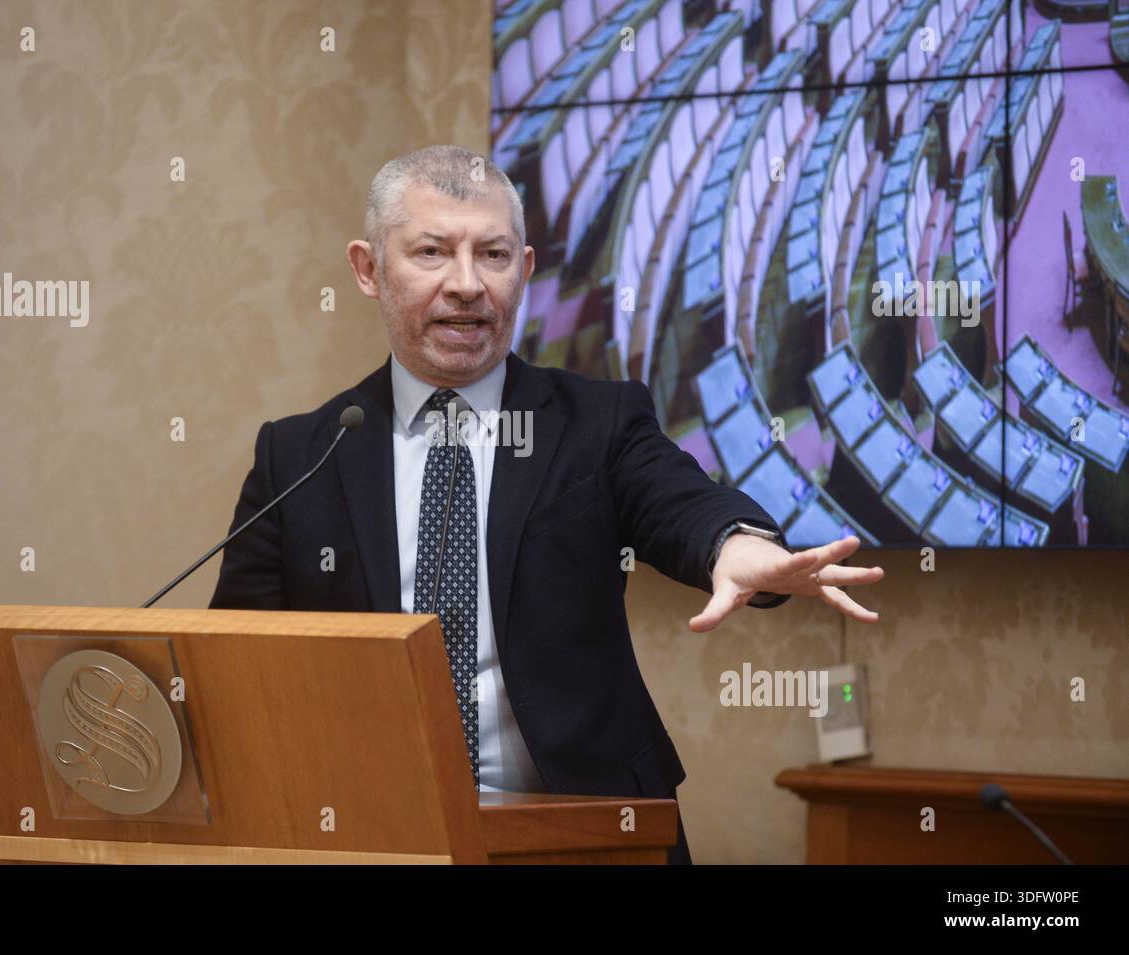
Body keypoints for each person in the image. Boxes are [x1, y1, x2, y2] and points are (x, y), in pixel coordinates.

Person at [209, 145, 883, 864]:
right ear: (368, 269)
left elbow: (675, 498)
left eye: (493, 255)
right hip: (371, 839)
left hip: (582, 832)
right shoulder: (300, 455)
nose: (467, 284)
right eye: (432, 252)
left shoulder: (598, 422)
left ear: (525, 270)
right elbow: (237, 669)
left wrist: (733, 543)